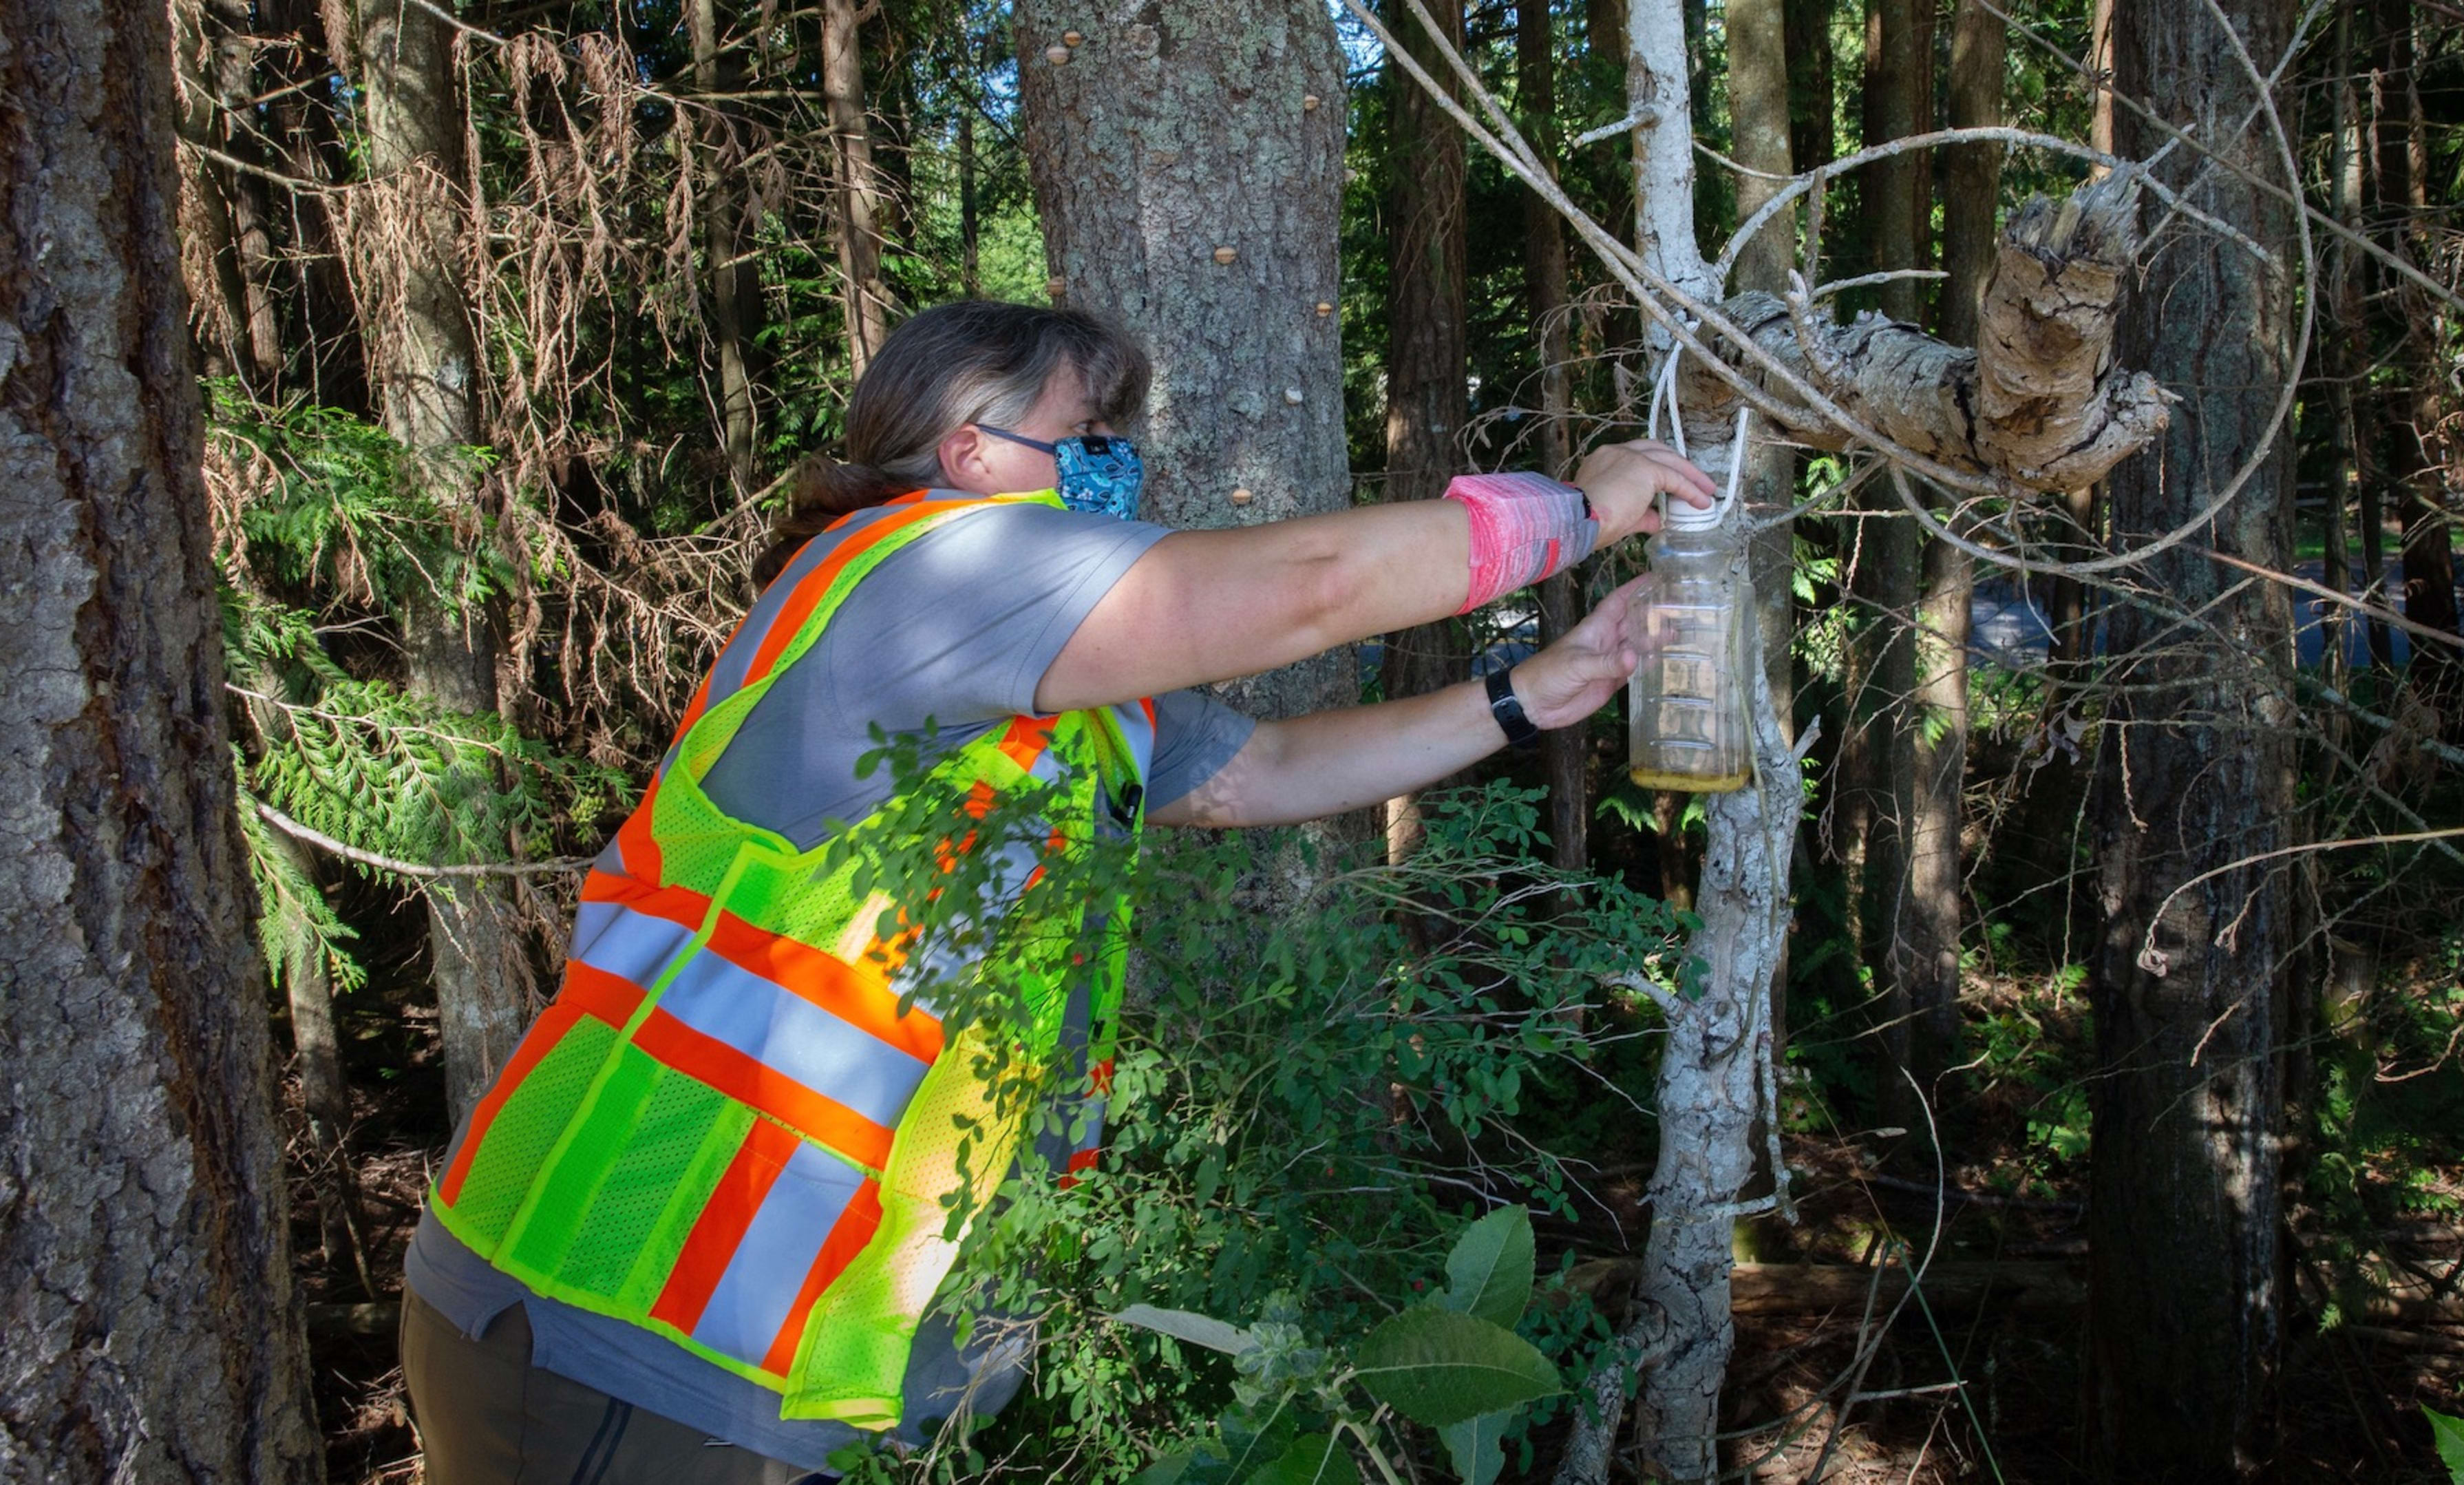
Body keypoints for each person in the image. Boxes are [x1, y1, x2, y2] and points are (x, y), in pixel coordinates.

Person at [399, 299, 1714, 1482]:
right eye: (1085, 438)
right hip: (608, 1317)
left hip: (773, 1368)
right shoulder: (926, 573)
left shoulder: (1049, 686)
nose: (1117, 471)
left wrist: (1542, 687)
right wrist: (1575, 512)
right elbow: (1310, 588)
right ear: (968, 454)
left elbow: (1262, 770)